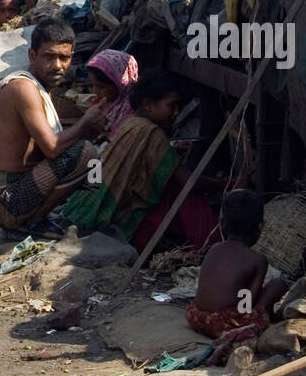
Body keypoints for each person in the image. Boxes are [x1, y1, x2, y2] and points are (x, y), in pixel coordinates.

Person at [62, 70, 219, 253]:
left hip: (85, 207)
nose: (176, 113)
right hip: (113, 220)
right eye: (171, 106)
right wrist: (225, 183)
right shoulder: (152, 133)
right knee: (184, 196)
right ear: (148, 104)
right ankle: (212, 244)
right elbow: (190, 183)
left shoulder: (131, 123)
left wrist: (171, 152)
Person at [0, 19, 106, 236]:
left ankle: (49, 214)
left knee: (91, 156)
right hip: (3, 201)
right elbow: (52, 148)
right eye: (49, 56)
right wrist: (86, 122)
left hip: (12, 191)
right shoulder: (23, 88)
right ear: (32, 55)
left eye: (64, 58)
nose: (57, 66)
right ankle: (32, 222)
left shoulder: (38, 86)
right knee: (87, 152)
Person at [185, 190, 288, 339]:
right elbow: (246, 305)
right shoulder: (257, 260)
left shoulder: (214, 249)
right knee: (278, 285)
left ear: (221, 224)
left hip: (196, 317)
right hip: (225, 325)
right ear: (261, 227)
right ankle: (268, 319)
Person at [85, 50, 139, 140]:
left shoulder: (133, 111)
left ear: (119, 83)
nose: (95, 91)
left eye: (101, 87)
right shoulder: (105, 103)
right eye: (92, 85)